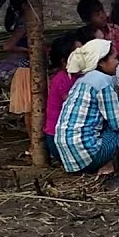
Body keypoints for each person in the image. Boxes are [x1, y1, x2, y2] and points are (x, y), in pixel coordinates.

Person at [53, 39, 119, 176]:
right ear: (100, 62)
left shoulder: (82, 80)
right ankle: (111, 161)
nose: (118, 62)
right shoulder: (102, 81)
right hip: (88, 155)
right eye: (115, 58)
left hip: (68, 156)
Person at [43, 33, 83, 162]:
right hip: (59, 139)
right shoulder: (61, 79)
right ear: (65, 61)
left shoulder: (76, 76)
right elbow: (74, 104)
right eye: (79, 54)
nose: (84, 56)